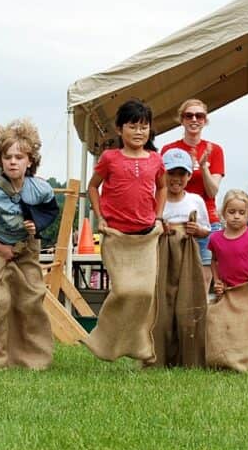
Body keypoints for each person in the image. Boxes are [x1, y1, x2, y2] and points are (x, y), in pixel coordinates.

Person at [83, 99, 167, 363]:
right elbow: (92, 187)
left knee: (145, 293)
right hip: (117, 237)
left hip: (146, 237)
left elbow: (162, 187)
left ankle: (139, 344)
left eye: (144, 127)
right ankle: (103, 341)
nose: (139, 132)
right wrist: (100, 217)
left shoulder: (155, 160)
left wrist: (158, 216)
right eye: (133, 126)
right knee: (123, 291)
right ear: (120, 130)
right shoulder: (110, 158)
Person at [0, 119, 55, 370]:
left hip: (27, 250)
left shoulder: (40, 189)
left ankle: (32, 359)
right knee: (1, 302)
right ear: (0, 161)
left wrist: (35, 225)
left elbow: (49, 210)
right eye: (8, 157)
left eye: (19, 157)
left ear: (30, 161)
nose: (13, 162)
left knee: (30, 301)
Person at [146, 147, 211, 368]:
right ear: (162, 174)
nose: (176, 179)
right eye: (171, 173)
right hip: (162, 253)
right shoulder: (156, 199)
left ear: (188, 176)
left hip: (187, 253)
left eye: (181, 174)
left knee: (188, 303)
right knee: (161, 305)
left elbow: (207, 229)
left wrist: (196, 229)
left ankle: (189, 359)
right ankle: (157, 357)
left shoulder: (195, 200)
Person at [160, 98, 225, 289]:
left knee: (202, 281)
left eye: (199, 115)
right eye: (189, 115)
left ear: (205, 120)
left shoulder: (215, 150)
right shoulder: (169, 149)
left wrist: (204, 167)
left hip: (206, 220)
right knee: (172, 278)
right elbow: (162, 183)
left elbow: (213, 191)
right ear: (181, 120)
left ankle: (198, 318)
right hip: (174, 218)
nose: (194, 119)